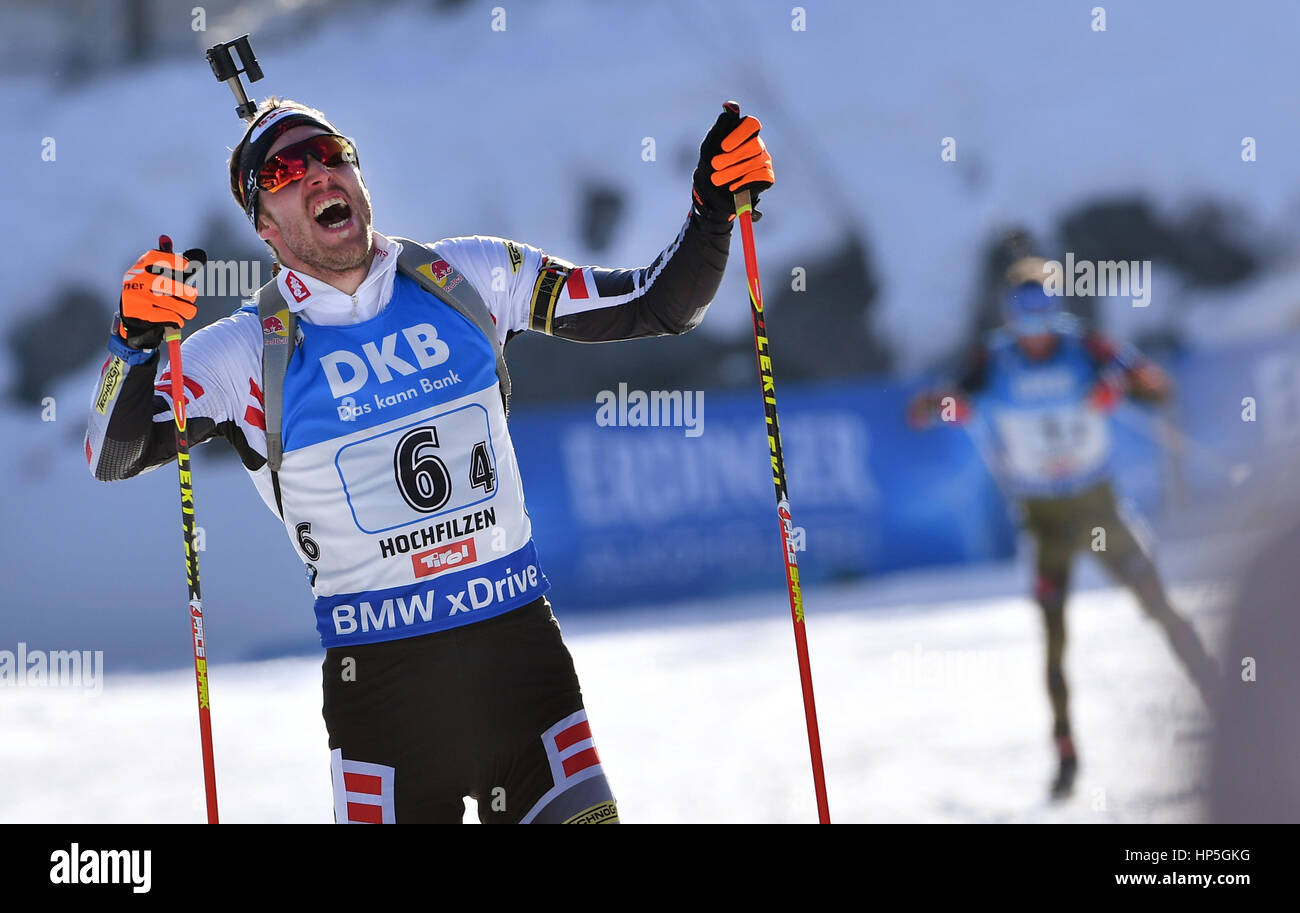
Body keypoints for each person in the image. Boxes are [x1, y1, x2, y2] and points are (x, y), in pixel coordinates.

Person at [85, 98, 773, 823]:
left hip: (520, 667)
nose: (319, 174)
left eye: (332, 153)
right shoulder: (244, 351)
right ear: (265, 226)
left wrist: (711, 209)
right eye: (286, 170)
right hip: (383, 699)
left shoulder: (469, 274)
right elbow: (112, 452)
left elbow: (654, 304)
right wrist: (131, 343)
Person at [908, 257, 1218, 799]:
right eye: (1025, 308)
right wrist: (947, 407)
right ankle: (1066, 755)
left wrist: (1123, 385)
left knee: (1160, 606)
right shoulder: (992, 359)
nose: (1035, 320)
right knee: (1053, 636)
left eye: (1044, 305)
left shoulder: (1086, 348)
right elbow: (924, 409)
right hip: (1043, 516)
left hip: (1097, 506)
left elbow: (1157, 389)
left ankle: (1227, 713)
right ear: (1010, 313)